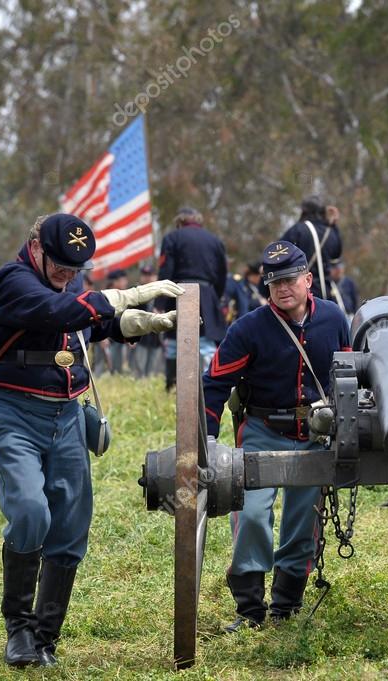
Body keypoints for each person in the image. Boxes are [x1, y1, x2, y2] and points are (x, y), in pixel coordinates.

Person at [0, 213, 182, 667]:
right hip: (14, 412)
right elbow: (61, 312)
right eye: (61, 269)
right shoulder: (14, 280)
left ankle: (44, 639)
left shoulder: (63, 284)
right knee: (30, 511)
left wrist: (146, 323)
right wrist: (129, 293)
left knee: (71, 527)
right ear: (36, 249)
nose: (68, 278)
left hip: (66, 414)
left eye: (75, 272)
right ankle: (18, 628)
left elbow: (94, 324)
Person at [202, 240, 350, 632]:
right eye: (273, 282)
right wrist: (206, 440)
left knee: (304, 522)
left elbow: (353, 374)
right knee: (250, 515)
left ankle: (286, 604)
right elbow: (214, 384)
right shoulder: (248, 328)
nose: (282, 288)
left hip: (315, 435)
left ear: (308, 279)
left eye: (289, 280)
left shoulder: (334, 319)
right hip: (263, 431)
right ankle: (249, 608)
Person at [157, 207, 228, 391]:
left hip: (178, 292)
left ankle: (172, 386)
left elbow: (166, 271)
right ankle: (208, 386)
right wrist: (214, 297)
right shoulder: (215, 240)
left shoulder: (173, 237)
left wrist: (160, 303)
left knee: (173, 341)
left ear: (179, 223)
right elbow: (222, 274)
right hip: (206, 293)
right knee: (206, 345)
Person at [280, 195, 342, 300]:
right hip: (326, 293)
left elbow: (278, 255)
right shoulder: (331, 231)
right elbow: (336, 256)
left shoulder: (297, 230)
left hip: (302, 293)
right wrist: (334, 224)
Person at [131, 264, 164, 378]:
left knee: (153, 370)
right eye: (145, 275)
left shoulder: (162, 293)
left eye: (150, 275)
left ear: (155, 276)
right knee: (139, 368)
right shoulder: (135, 292)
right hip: (141, 336)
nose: (147, 278)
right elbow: (130, 315)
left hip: (156, 337)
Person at [105, 269, 129, 373]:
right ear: (114, 282)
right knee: (102, 368)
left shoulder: (123, 296)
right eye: (122, 280)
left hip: (119, 337)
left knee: (118, 368)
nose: (125, 282)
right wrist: (103, 339)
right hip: (105, 338)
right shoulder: (105, 296)